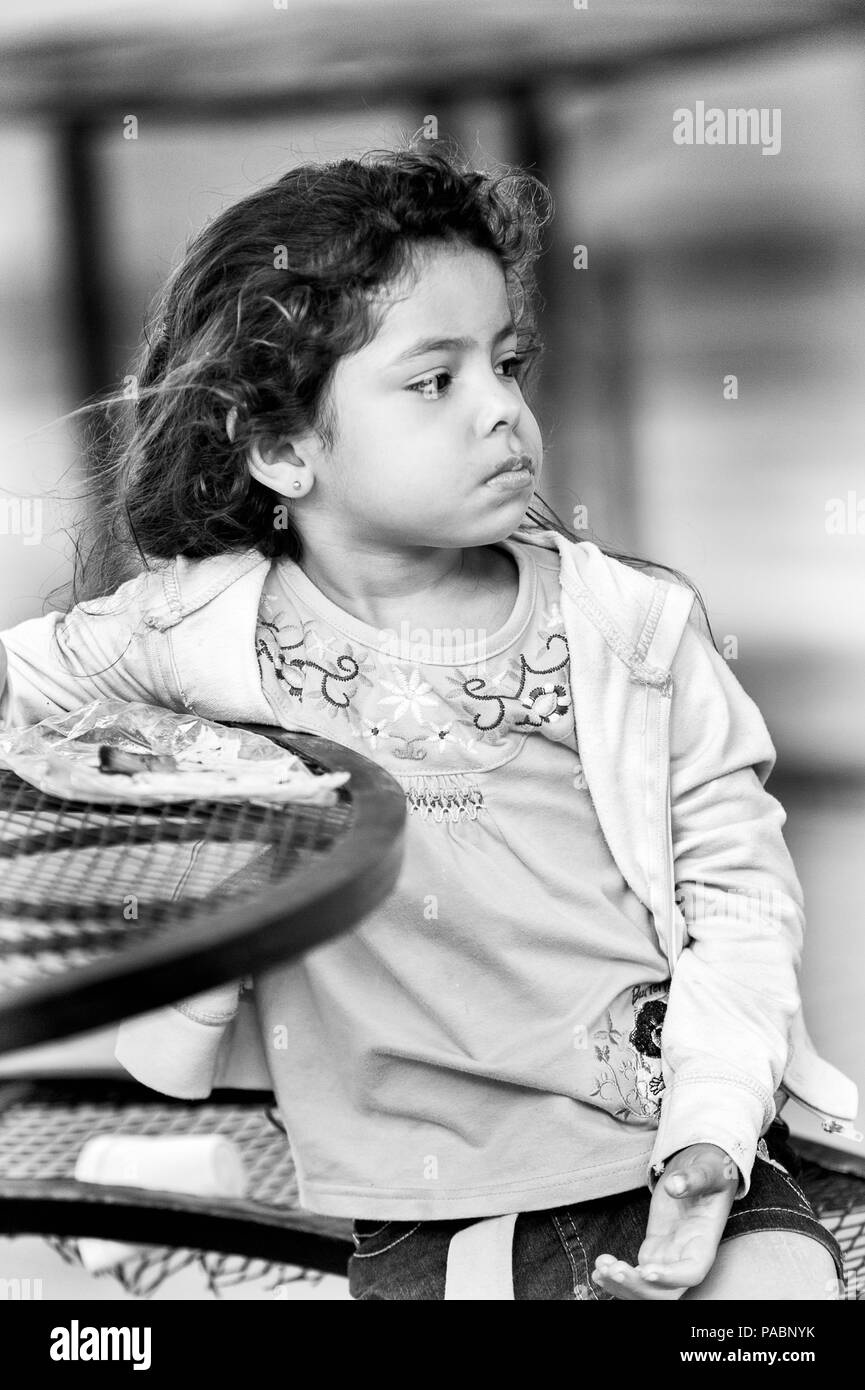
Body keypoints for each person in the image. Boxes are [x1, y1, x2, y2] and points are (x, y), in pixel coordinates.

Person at [0, 141, 857, 1301]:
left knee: (774, 1315)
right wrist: (165, 779)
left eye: (508, 363)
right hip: (407, 1205)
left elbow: (740, 898)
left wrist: (711, 1133)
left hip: (660, 1152)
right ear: (282, 448)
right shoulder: (196, 629)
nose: (503, 410)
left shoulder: (628, 630)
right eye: (433, 380)